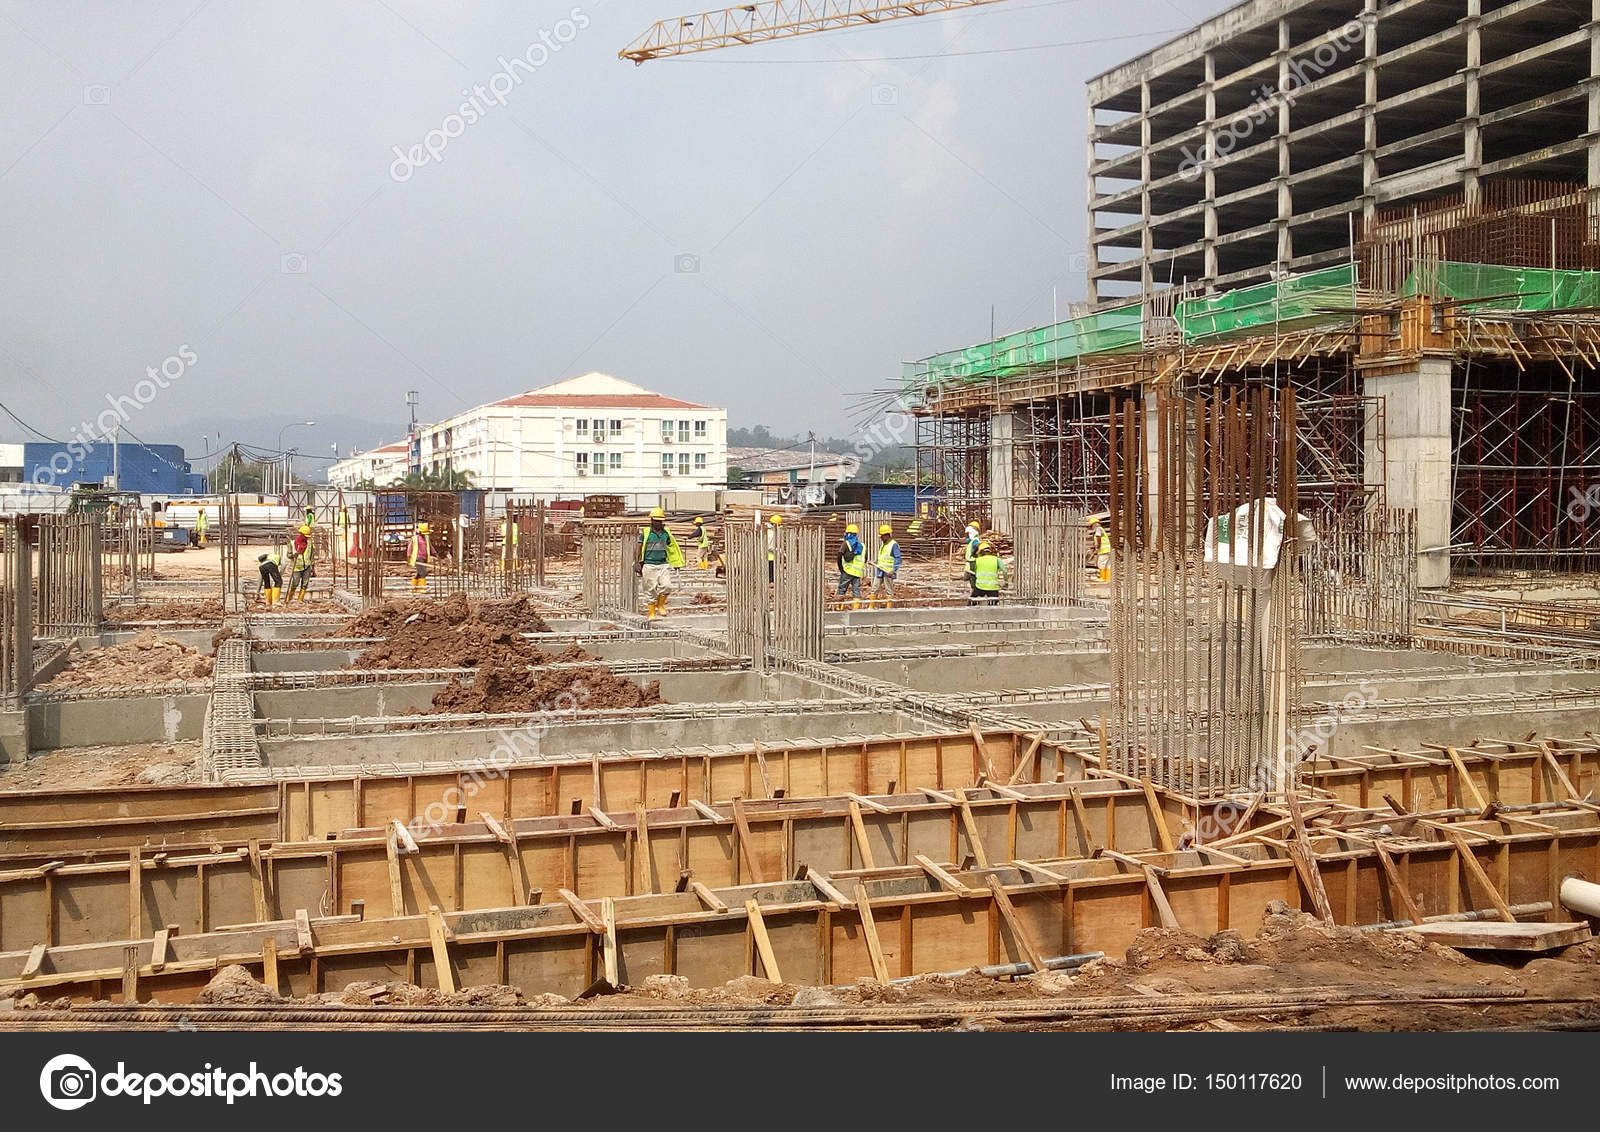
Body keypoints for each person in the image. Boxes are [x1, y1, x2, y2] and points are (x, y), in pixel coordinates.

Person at [635, 507, 684, 621]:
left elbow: (672, 548)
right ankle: (651, 612)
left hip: (663, 564)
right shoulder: (646, 532)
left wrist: (676, 562)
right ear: (651, 520)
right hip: (649, 564)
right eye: (656, 520)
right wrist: (637, 562)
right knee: (650, 589)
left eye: (660, 521)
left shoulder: (666, 533)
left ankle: (660, 605)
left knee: (667, 586)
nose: (658, 523)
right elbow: (639, 547)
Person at [868, 522, 900, 608]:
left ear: (886, 535)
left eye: (882, 536)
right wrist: (874, 562)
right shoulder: (883, 544)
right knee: (874, 588)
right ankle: (871, 607)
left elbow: (897, 558)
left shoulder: (893, 545)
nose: (881, 538)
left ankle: (889, 608)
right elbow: (882, 558)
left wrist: (893, 570)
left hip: (888, 572)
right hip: (880, 570)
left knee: (889, 590)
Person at [969, 539, 1007, 605]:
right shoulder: (997, 559)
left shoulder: (977, 560)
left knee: (971, 603)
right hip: (993, 587)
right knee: (993, 607)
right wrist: (1006, 582)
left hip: (979, 587)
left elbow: (974, 573)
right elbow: (1004, 571)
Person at [836, 522, 865, 608]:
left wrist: (841, 569)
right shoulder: (862, 545)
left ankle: (839, 607)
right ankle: (856, 610)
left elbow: (839, 555)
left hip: (847, 571)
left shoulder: (846, 543)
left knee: (842, 589)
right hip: (858, 572)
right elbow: (865, 559)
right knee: (856, 590)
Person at [284, 524, 314, 602]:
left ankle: (300, 599)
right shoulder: (292, 543)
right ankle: (289, 599)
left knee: (305, 583)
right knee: (295, 583)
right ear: (301, 535)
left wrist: (312, 566)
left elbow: (311, 555)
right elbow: (288, 555)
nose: (307, 538)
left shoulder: (309, 543)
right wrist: (293, 556)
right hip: (296, 567)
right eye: (305, 536)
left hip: (307, 566)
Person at [409, 522, 432, 592]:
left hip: (424, 558)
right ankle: (421, 588)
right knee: (423, 573)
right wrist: (408, 556)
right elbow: (410, 548)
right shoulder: (415, 538)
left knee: (419, 573)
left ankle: (414, 588)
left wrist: (434, 553)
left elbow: (430, 546)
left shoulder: (426, 538)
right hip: (417, 558)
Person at [961, 522, 980, 586]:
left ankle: (974, 591)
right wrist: (955, 541)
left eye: (970, 533)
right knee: (966, 577)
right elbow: (965, 541)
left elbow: (977, 545)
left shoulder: (975, 540)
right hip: (969, 562)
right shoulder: (971, 540)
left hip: (972, 562)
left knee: (972, 577)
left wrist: (974, 552)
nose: (969, 534)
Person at [765, 513, 783, 582]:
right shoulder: (771, 533)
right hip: (769, 553)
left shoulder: (771, 531)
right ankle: (770, 579)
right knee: (770, 567)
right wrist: (778, 550)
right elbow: (769, 546)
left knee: (771, 567)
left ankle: (771, 579)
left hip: (771, 553)